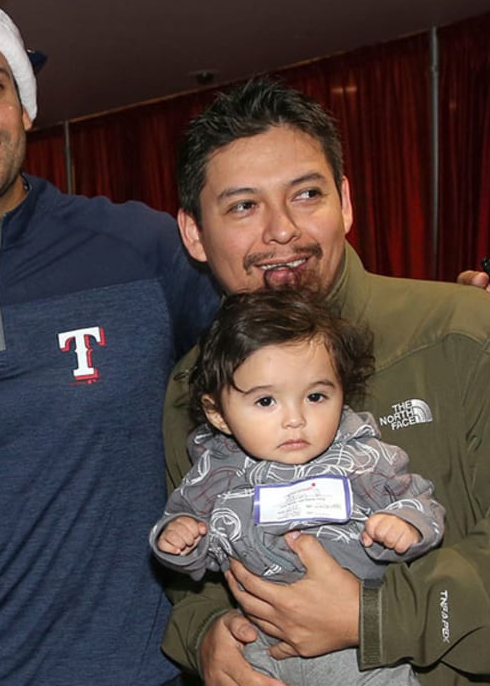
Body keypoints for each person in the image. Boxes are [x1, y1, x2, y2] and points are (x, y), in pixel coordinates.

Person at [0, 0, 490, 686]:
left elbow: (288, 316)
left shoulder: (139, 245)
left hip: (142, 664)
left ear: (27, 110)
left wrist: (456, 309)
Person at [163, 78, 490, 686]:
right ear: (193, 233)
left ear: (345, 202)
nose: (282, 229)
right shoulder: (194, 387)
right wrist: (207, 637)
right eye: (243, 206)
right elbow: (188, 566)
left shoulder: (464, 332)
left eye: (307, 194)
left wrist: (379, 616)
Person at [152, 288, 444, 685]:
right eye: (266, 402)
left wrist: (405, 522)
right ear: (217, 414)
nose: (295, 419)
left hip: (357, 653)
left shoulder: (362, 457)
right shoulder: (214, 474)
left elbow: (421, 501)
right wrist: (180, 539)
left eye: (316, 396)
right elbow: (190, 539)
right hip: (260, 649)